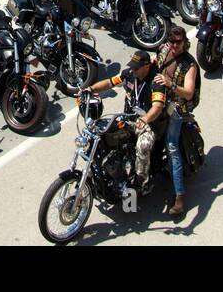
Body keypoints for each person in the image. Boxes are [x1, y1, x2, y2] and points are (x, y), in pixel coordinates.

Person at [85, 52, 167, 191]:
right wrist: (90, 89)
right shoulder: (128, 74)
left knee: (143, 146)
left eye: (136, 68)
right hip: (129, 119)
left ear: (146, 66)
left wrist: (145, 119)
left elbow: (157, 107)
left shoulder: (156, 81)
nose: (133, 70)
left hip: (150, 124)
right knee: (103, 134)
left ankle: (142, 181)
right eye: (132, 67)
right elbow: (109, 82)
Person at [156, 26, 199, 216]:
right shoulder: (164, 49)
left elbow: (188, 93)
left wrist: (170, 84)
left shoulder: (190, 65)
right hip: (157, 97)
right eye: (172, 41)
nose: (175, 45)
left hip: (176, 106)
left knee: (171, 146)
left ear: (184, 42)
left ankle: (180, 197)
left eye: (178, 42)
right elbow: (156, 62)